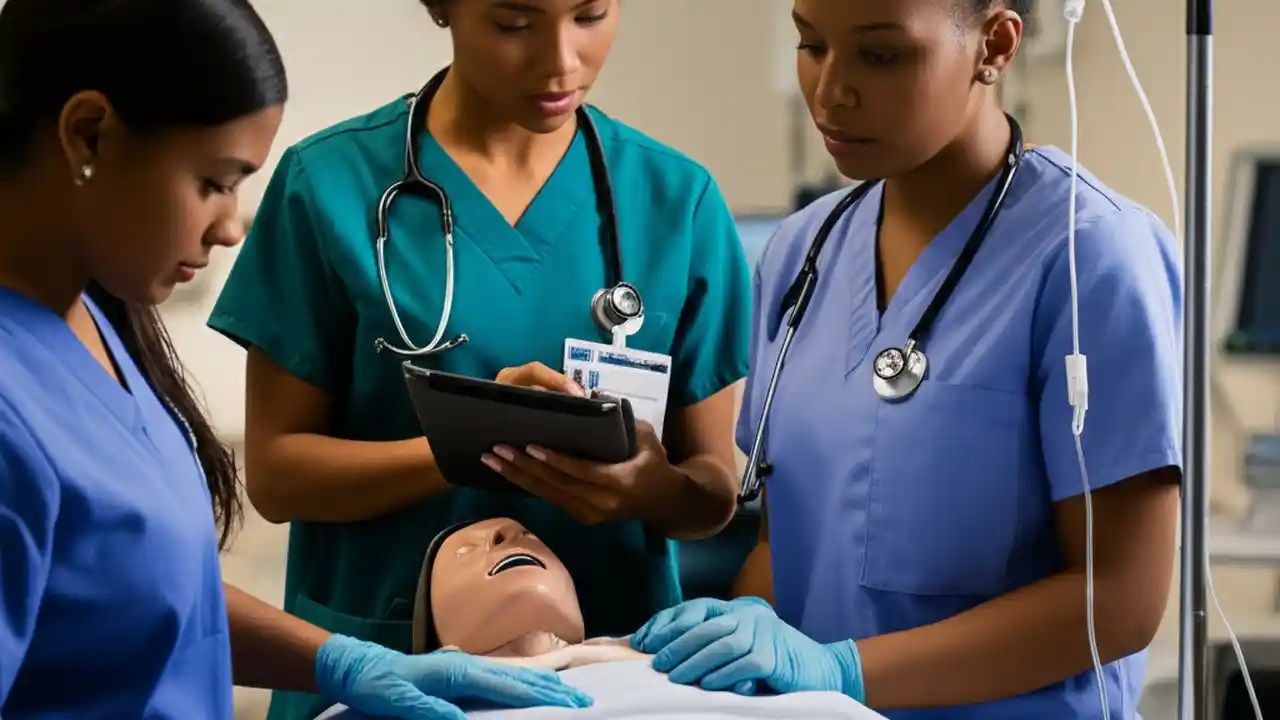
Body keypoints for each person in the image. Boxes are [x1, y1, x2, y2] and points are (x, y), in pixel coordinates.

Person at [0, 2, 594, 718]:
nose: (230, 225)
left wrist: (343, 661)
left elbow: (135, 590)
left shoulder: (87, 321)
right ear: (89, 134)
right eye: (215, 181)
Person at [630, 1, 1183, 718]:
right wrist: (742, 631)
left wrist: (842, 670)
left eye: (881, 56)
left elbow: (1118, 600)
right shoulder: (803, 255)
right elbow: (790, 542)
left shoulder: (1090, 256)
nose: (831, 90)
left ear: (995, 44)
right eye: (810, 45)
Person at [206, 1, 750, 716]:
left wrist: (651, 489)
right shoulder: (329, 186)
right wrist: (473, 444)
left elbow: (713, 491)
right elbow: (278, 477)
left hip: (613, 680)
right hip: (382, 669)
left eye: (591, 14)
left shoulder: (677, 202)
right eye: (514, 23)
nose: (562, 61)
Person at [316, 518, 885, 720]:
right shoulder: (383, 698)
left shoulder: (732, 660)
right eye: (466, 551)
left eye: (526, 536)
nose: (504, 536)